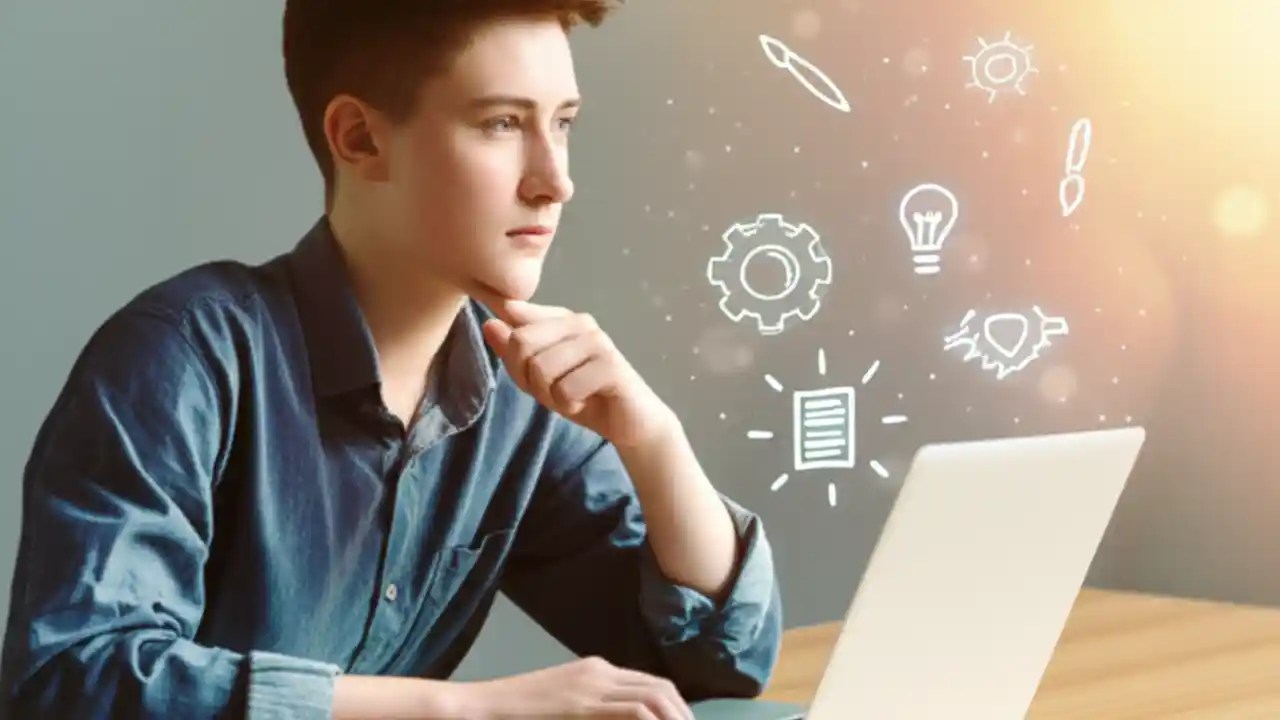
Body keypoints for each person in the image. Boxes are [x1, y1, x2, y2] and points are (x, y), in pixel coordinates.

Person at [0, 1, 783, 718]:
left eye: (565, 123)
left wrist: (654, 441)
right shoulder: (184, 356)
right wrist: (462, 710)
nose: (556, 182)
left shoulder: (515, 396)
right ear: (360, 138)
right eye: (503, 124)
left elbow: (719, 667)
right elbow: (77, 678)